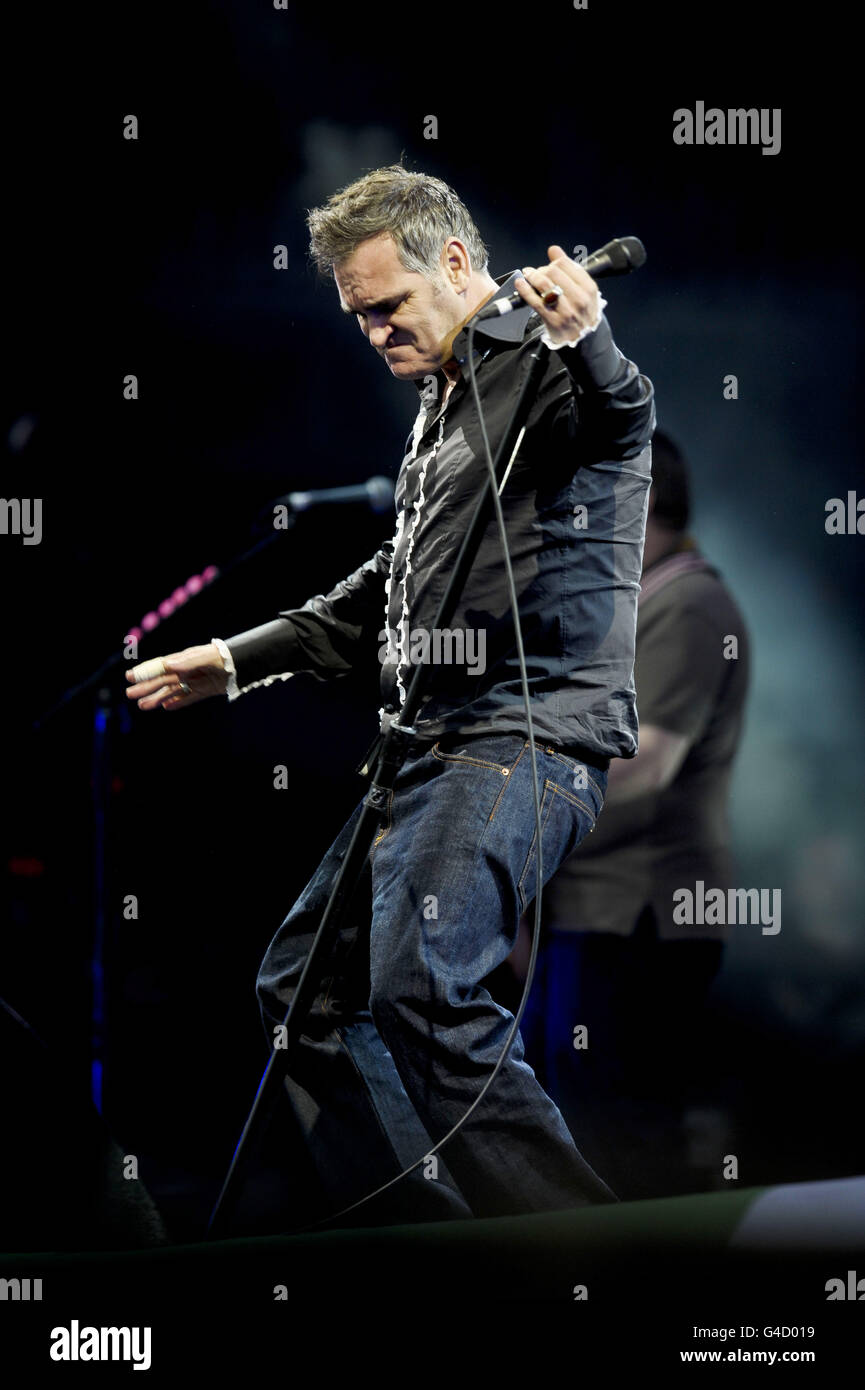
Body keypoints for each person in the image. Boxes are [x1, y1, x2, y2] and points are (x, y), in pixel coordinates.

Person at [126, 165, 655, 1224]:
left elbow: (622, 416)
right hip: (425, 745)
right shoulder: (442, 409)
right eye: (356, 315)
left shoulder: (548, 368)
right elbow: (384, 590)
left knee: (418, 986)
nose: (371, 331)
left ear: (455, 263)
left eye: (385, 306)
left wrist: (590, 340)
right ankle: (415, 1235)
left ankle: (585, 1248)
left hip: (519, 734)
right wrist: (234, 658)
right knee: (301, 994)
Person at [509, 429, 751, 1199]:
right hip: (599, 909)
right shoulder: (650, 602)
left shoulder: (690, 604)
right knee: (583, 1118)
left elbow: (645, 765)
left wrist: (517, 822)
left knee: (616, 1132)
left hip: (639, 913)